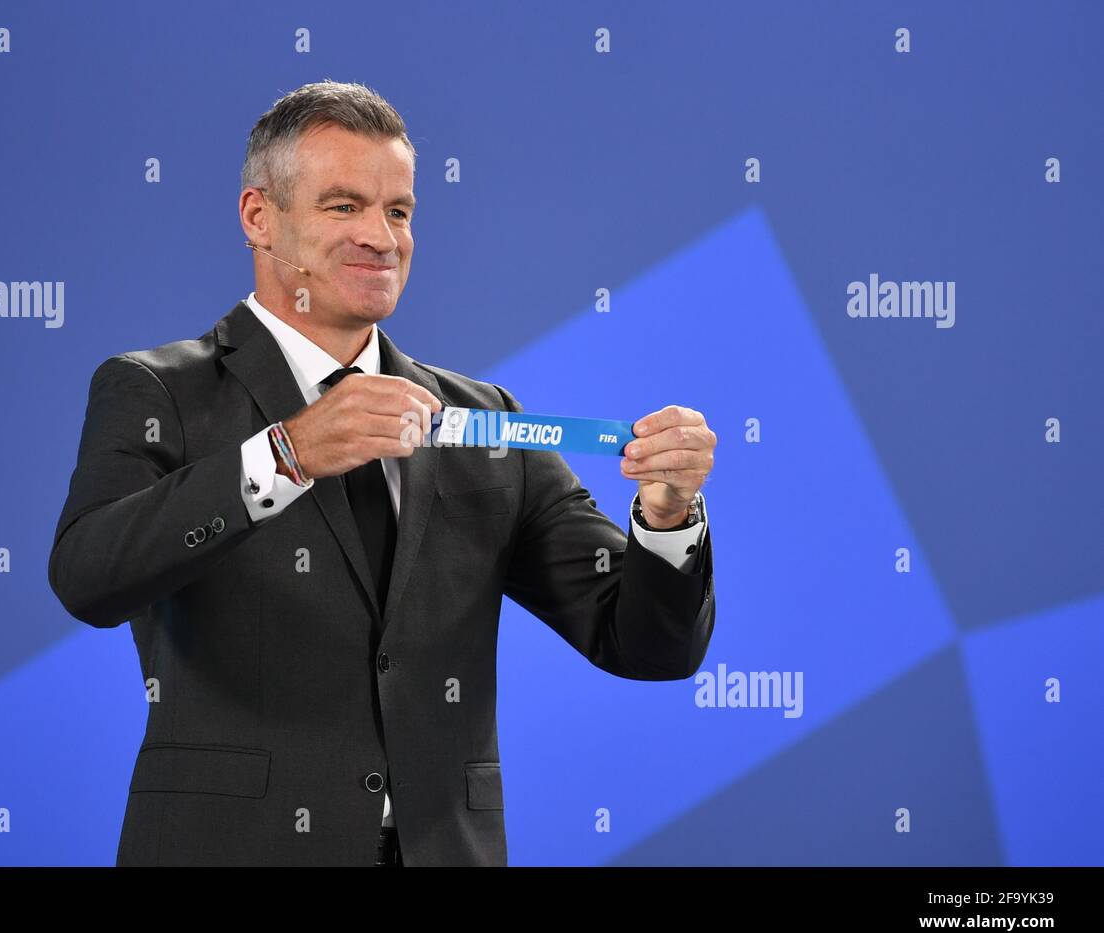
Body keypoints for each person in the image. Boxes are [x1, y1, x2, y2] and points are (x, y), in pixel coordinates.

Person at [48, 79, 717, 866]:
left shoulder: (488, 418)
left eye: (398, 211)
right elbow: (88, 577)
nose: (381, 237)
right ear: (260, 217)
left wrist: (666, 521)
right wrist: (285, 455)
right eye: (344, 206)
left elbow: (644, 647)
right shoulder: (158, 389)